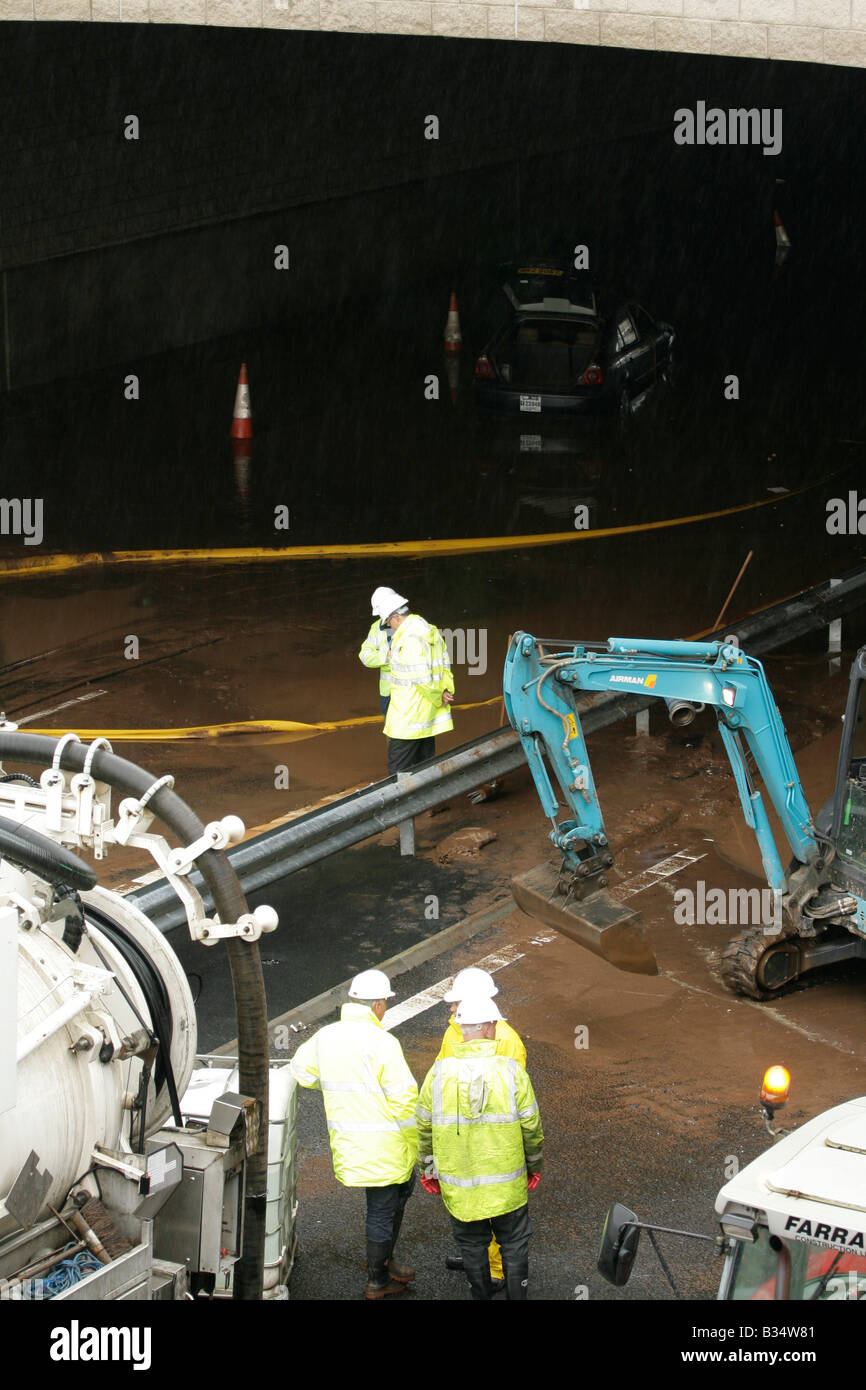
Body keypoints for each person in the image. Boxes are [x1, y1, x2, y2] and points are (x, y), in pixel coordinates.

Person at [290, 968, 419, 1300]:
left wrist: (335, 1085)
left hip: (349, 1144)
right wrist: (417, 1143)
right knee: (384, 1208)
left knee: (384, 1205)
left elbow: (302, 1072)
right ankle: (377, 1279)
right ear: (377, 1005)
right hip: (387, 1144)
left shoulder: (326, 1036)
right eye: (386, 1003)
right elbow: (405, 1101)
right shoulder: (383, 1042)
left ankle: (383, 1261)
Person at [417, 996, 543, 1301]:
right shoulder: (512, 1071)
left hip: (461, 1189)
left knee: (472, 1247)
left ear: (462, 1028)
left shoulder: (437, 1074)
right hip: (508, 1188)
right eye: (495, 1023)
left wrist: (429, 1171)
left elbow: (423, 1130)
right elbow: (532, 1128)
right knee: (513, 1245)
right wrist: (533, 1167)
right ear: (487, 1027)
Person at [437, 966, 527, 1291]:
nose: (450, 1007)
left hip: (489, 1140)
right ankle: (477, 1258)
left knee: (493, 1206)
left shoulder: (509, 1043)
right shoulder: (456, 1029)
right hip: (463, 1136)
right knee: (474, 1206)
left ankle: (495, 1271)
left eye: (456, 1001)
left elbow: (516, 1101)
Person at [368, 586, 455, 775]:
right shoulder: (428, 630)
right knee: (426, 766)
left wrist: (437, 696)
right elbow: (444, 666)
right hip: (426, 714)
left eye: (388, 622)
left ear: (396, 618)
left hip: (408, 717)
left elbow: (421, 676)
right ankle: (432, 804)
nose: (387, 626)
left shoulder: (408, 639)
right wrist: (444, 691)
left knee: (398, 772)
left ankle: (406, 804)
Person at [359, 589, 396, 719]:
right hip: (388, 693)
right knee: (393, 732)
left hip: (412, 690)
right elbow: (364, 655)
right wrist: (386, 656)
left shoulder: (411, 624)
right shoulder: (376, 628)